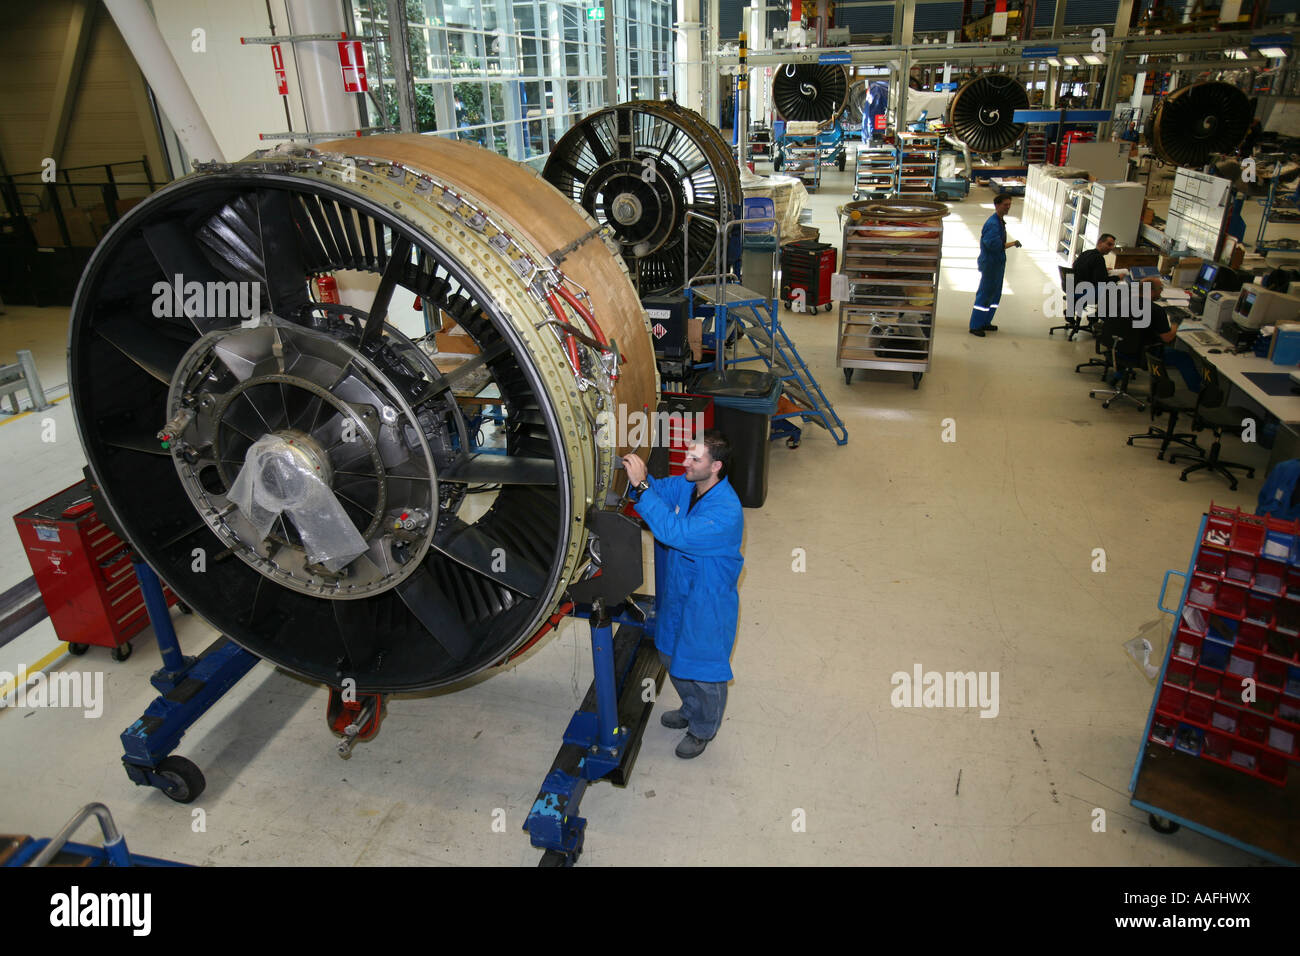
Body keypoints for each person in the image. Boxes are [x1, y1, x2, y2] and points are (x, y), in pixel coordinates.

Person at [621, 430, 744, 760]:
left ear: (715, 466)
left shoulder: (725, 511)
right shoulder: (689, 485)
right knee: (669, 654)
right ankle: (690, 708)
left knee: (704, 671)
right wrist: (637, 476)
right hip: (679, 592)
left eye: (695, 458)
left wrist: (642, 487)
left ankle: (703, 728)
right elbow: (658, 490)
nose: (685, 462)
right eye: (687, 454)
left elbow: (674, 533)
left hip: (707, 602)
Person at [1114, 276, 1199, 391]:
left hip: (1119, 349)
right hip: (1142, 354)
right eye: (1160, 288)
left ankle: (1118, 375)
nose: (1161, 291)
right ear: (1151, 291)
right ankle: (1198, 389)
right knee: (1184, 358)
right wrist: (1175, 325)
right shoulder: (1156, 310)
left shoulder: (1124, 302)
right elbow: (1168, 338)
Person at [970, 192, 1021, 337]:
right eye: (1005, 205)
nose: (1008, 207)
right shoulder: (993, 224)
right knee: (985, 293)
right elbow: (994, 245)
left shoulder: (999, 221)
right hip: (990, 263)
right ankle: (975, 325)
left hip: (997, 263)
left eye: (1009, 205)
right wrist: (1013, 243)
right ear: (997, 205)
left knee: (995, 294)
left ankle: (986, 321)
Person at [1070, 232, 1117, 324]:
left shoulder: (1086, 253)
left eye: (1112, 245)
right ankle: (1097, 318)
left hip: (1074, 287)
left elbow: (1077, 267)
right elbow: (1101, 281)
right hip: (1085, 291)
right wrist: (1118, 277)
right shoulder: (1099, 258)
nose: (1111, 248)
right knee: (1113, 290)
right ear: (1100, 243)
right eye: (1109, 244)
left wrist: (1102, 270)